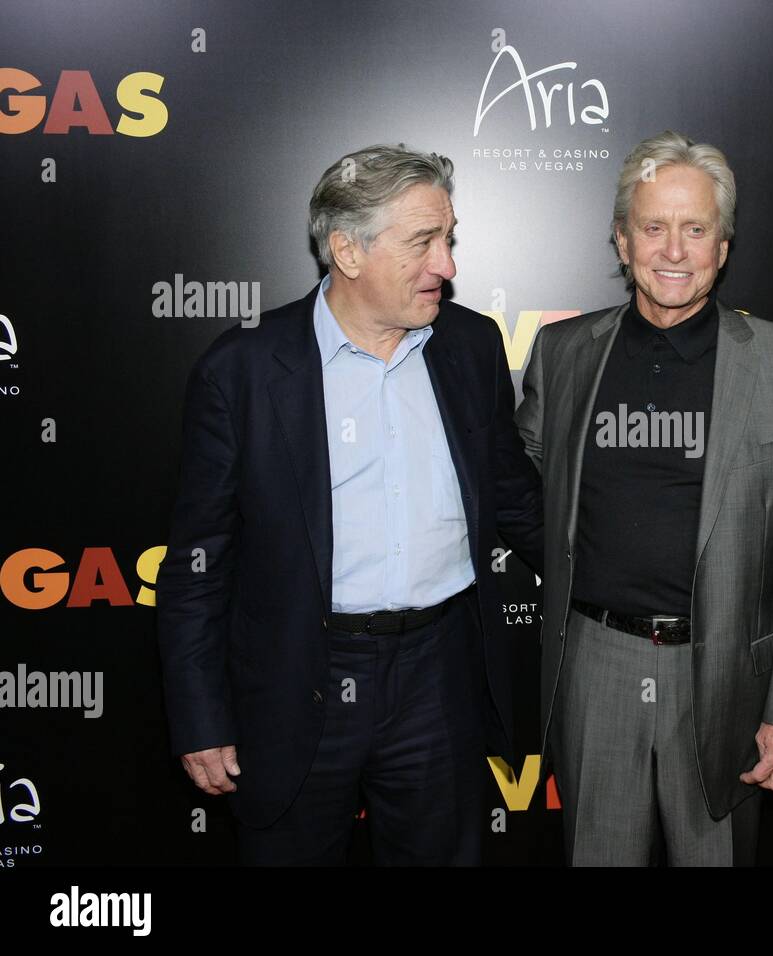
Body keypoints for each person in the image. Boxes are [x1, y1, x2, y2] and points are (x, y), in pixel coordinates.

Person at [156, 144, 543, 865]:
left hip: (439, 673)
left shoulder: (470, 346)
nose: (448, 266)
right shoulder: (241, 371)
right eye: (422, 242)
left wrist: (635, 583)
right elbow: (196, 565)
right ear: (348, 251)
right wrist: (200, 715)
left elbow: (515, 497)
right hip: (299, 673)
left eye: (449, 239)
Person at [515, 130, 773, 866]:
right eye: (653, 228)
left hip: (722, 675)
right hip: (596, 664)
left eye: (696, 230)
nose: (673, 250)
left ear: (724, 246)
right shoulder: (563, 356)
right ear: (622, 241)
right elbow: (526, 477)